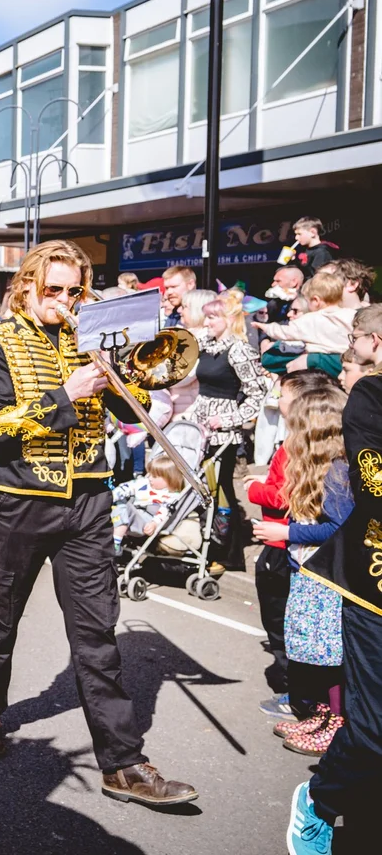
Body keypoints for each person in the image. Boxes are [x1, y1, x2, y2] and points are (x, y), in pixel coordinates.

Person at [0, 239, 197, 807]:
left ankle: (122, 762)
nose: (66, 300)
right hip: (21, 498)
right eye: (55, 290)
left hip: (89, 498)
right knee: (2, 616)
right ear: (27, 286)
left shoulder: (88, 341)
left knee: (97, 633)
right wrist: (65, 394)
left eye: (75, 291)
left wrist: (128, 370)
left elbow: (131, 410)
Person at [287, 302, 382, 853]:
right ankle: (320, 801)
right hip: (374, 587)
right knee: (373, 732)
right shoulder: (372, 398)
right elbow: (373, 485)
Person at [253, 381, 349, 757]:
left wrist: (286, 530)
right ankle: (322, 713)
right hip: (307, 568)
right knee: (312, 654)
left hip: (326, 575)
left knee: (330, 656)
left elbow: (335, 528)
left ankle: (338, 726)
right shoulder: (316, 469)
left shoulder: (337, 475)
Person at [186, 292, 267, 568]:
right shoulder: (207, 344)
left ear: (228, 319)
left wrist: (230, 418)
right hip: (200, 423)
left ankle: (225, 552)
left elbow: (258, 393)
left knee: (220, 489)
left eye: (212, 317)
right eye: (206, 316)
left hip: (223, 430)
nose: (206, 322)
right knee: (202, 486)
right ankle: (205, 541)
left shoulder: (239, 349)